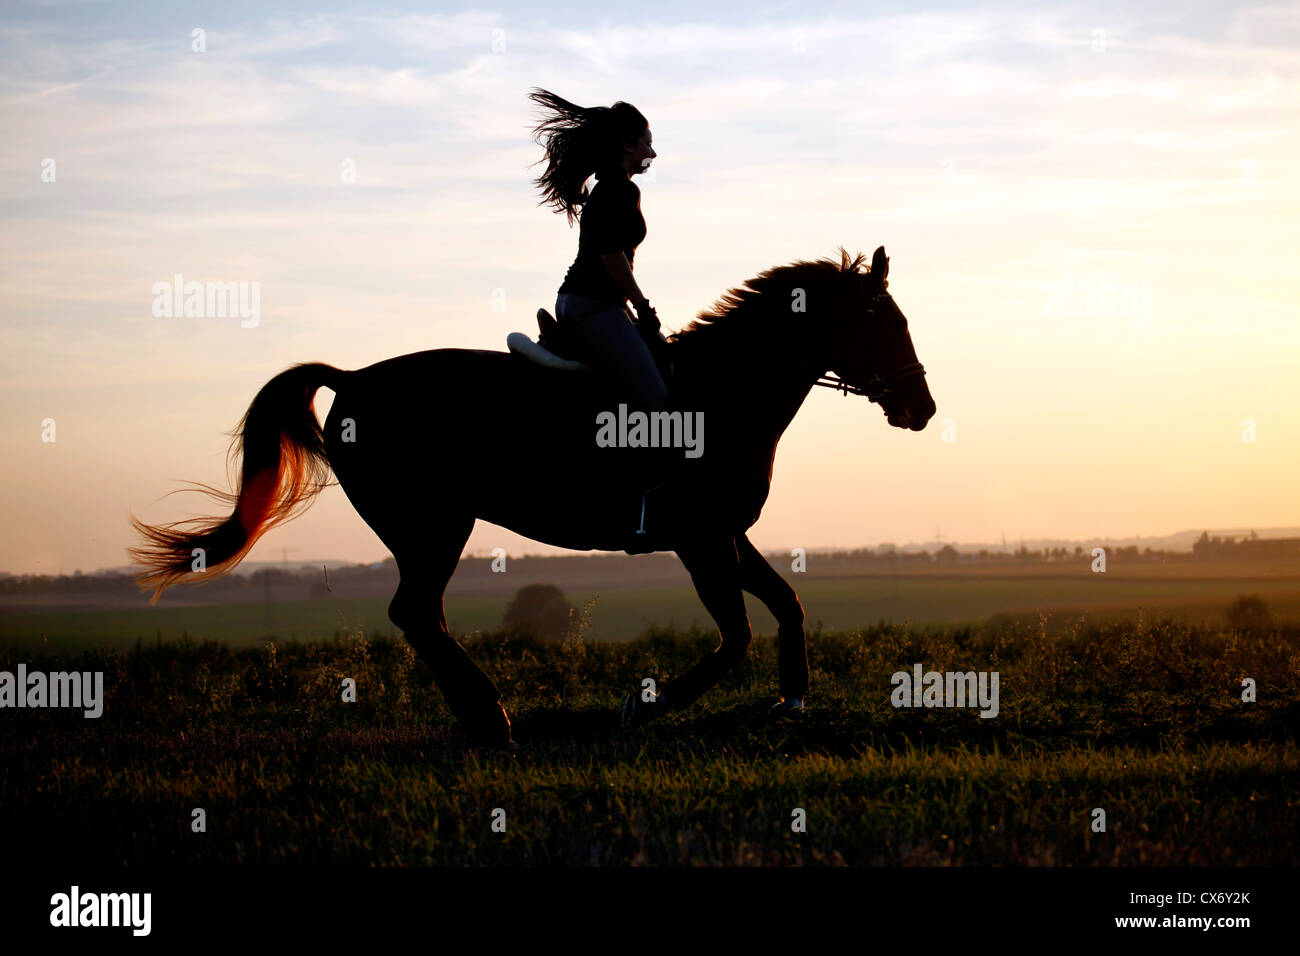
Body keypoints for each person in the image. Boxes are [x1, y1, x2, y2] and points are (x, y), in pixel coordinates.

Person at [528, 89, 674, 497]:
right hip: (593, 305)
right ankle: (646, 493)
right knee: (655, 399)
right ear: (627, 146)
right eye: (647, 143)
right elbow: (613, 259)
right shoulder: (620, 190)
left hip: (592, 303)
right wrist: (643, 307)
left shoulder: (613, 187)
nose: (653, 153)